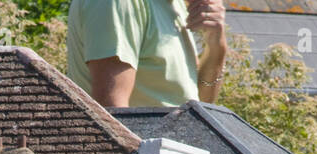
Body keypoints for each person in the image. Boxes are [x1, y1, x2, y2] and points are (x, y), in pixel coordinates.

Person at [66, 0, 228, 108]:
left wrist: (217, 46)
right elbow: (112, 111)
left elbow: (200, 107)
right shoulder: (117, 3)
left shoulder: (176, 5)